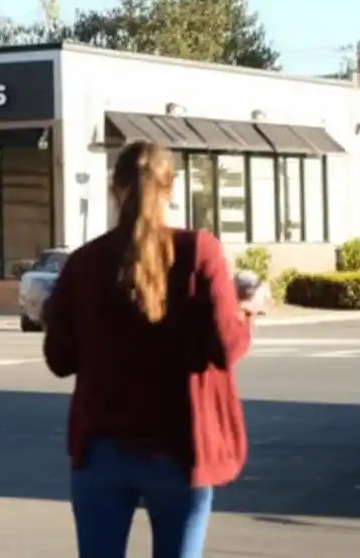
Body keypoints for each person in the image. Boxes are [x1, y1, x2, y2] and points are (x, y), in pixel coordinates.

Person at [42, 140, 253, 558]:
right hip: (179, 446)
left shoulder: (84, 262)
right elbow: (225, 346)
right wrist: (248, 312)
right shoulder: (199, 251)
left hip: (101, 448)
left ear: (114, 189)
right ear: (171, 189)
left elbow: (60, 359)